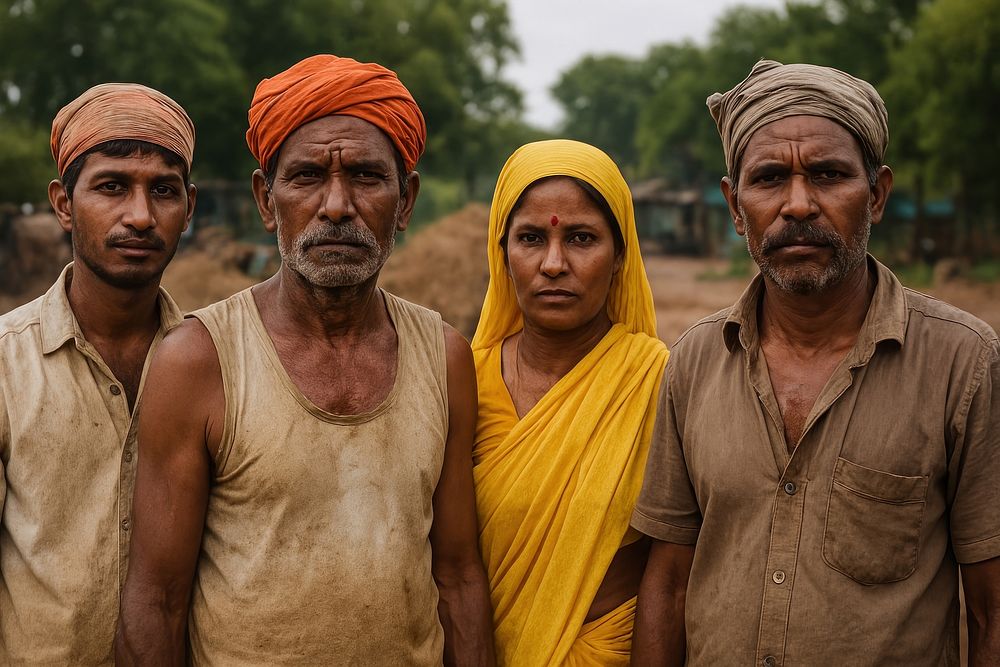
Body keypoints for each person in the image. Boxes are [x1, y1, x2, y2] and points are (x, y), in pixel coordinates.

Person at [116, 54, 494, 665]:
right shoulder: (198, 360)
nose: (337, 205)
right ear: (267, 201)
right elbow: (156, 600)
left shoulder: (443, 356)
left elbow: (458, 576)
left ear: (406, 201)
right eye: (307, 177)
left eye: (368, 177)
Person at [630, 60, 1000, 666]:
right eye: (769, 178)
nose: (798, 205)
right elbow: (668, 583)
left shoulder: (964, 365)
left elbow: (991, 610)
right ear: (733, 204)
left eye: (828, 175)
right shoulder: (694, 361)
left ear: (876, 194)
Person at [0, 83, 196, 663]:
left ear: (189, 206)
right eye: (111, 187)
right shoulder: (7, 366)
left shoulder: (219, 365)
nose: (140, 216)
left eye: (163, 191)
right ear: (63, 203)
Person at [472, 139, 669, 665]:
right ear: (502, 251)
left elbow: (678, 567)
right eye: (531, 238)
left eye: (582, 238)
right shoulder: (462, 382)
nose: (554, 264)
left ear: (620, 254)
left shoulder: (659, 382)